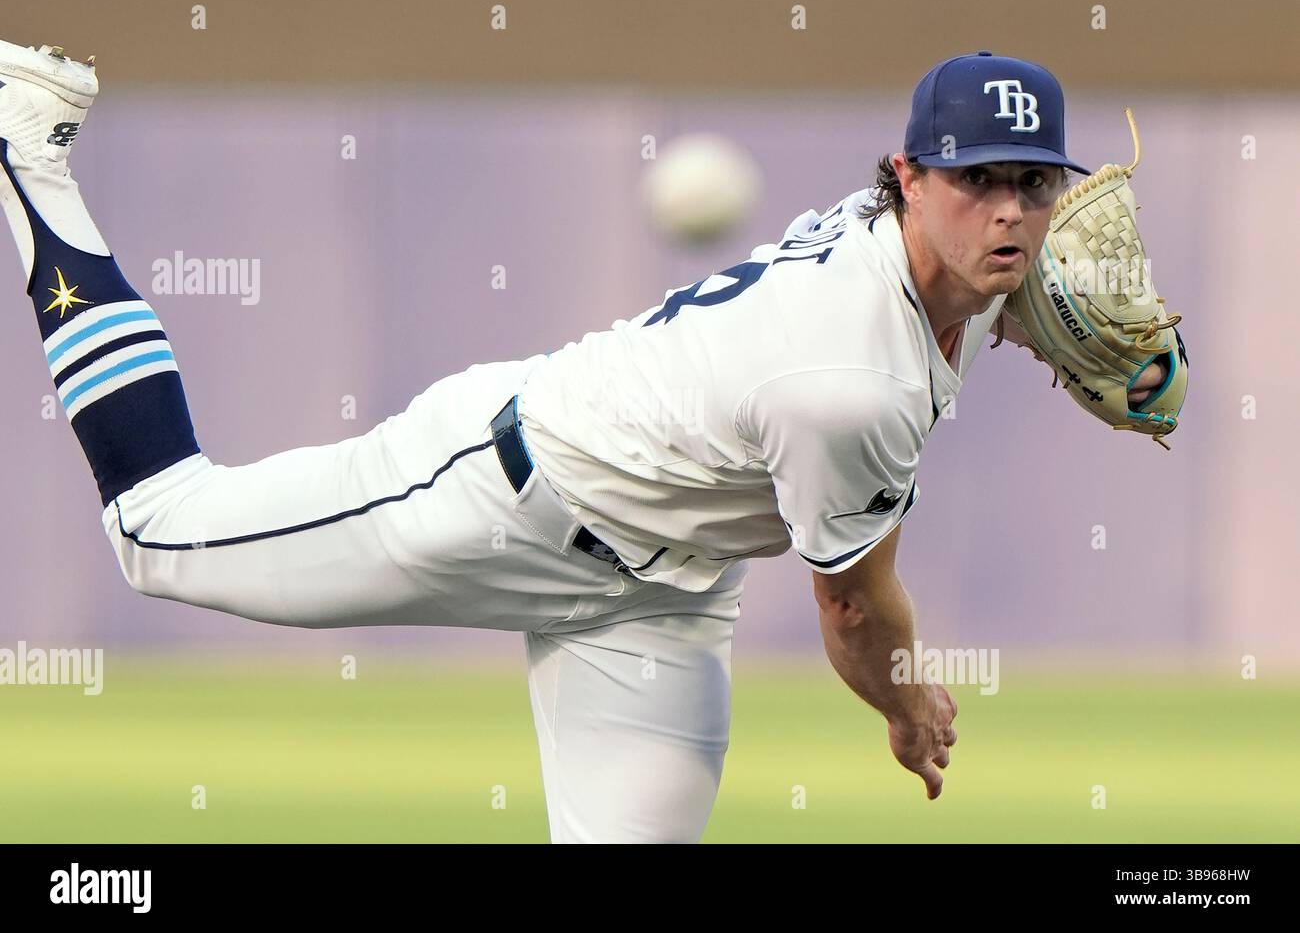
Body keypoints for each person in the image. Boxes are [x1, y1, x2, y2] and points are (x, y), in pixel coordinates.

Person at [0, 42, 1167, 842]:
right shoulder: (847, 380)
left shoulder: (936, 257)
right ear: (909, 177)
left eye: (1030, 182)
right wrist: (910, 702)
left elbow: (989, 297)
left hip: (659, 595)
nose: (1008, 208)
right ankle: (27, 148)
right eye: (975, 180)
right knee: (156, 526)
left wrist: (1070, 337)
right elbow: (856, 611)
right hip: (500, 491)